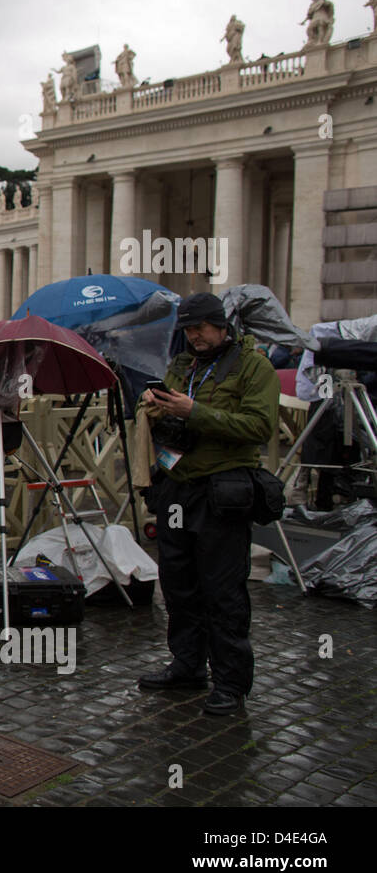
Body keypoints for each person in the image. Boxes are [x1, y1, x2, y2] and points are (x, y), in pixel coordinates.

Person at [137, 292, 278, 717]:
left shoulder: (254, 366)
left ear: (222, 325)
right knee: (179, 582)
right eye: (188, 330)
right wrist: (160, 408)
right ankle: (187, 664)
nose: (195, 337)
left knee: (222, 590)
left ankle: (231, 682)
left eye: (201, 328)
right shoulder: (184, 365)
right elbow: (177, 416)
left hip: (223, 489)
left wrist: (195, 410)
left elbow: (260, 426)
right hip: (178, 486)